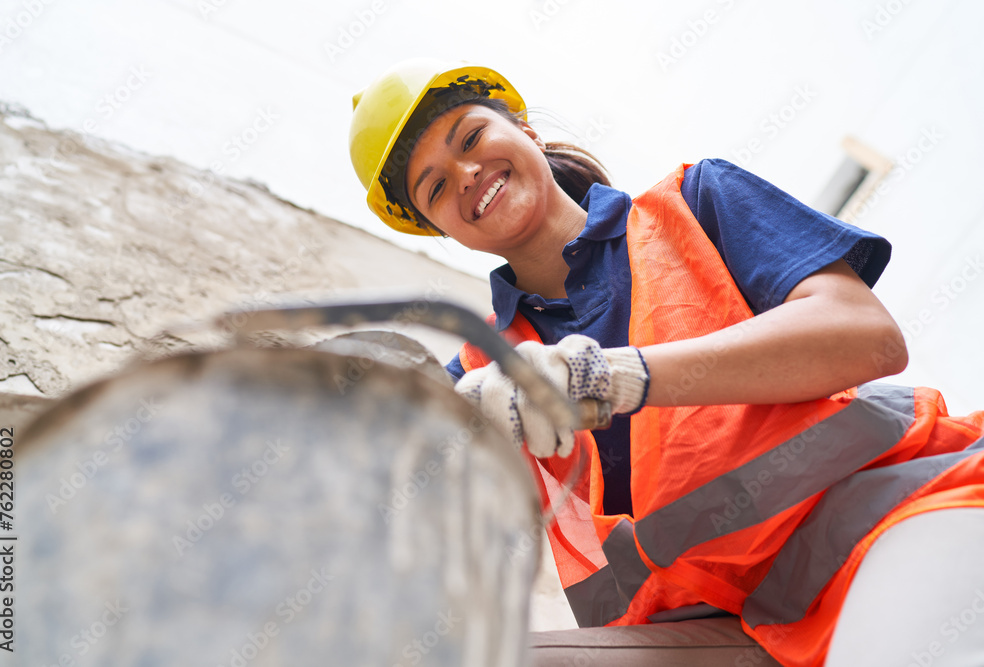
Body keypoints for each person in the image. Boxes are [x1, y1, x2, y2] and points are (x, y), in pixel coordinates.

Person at [348, 59, 984, 667]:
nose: (464, 173)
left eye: (472, 136)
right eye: (434, 186)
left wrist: (611, 379)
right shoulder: (481, 373)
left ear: (527, 131)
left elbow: (866, 336)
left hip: (881, 528)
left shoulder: (695, 203)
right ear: (437, 227)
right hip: (729, 624)